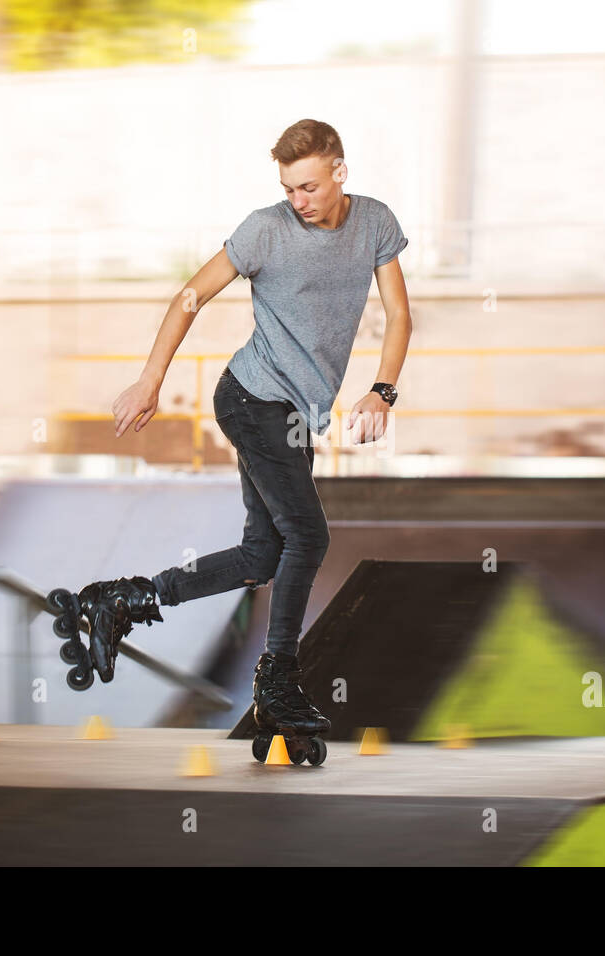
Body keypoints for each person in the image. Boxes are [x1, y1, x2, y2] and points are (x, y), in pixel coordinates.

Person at [74, 119, 412, 740]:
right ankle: (278, 680)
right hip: (252, 399)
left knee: (264, 554)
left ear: (340, 171)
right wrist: (150, 379)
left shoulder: (375, 223)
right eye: (288, 189)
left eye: (308, 187)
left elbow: (399, 316)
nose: (298, 201)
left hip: (296, 416)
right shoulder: (265, 230)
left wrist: (381, 390)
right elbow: (189, 296)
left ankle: (125, 600)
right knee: (307, 535)